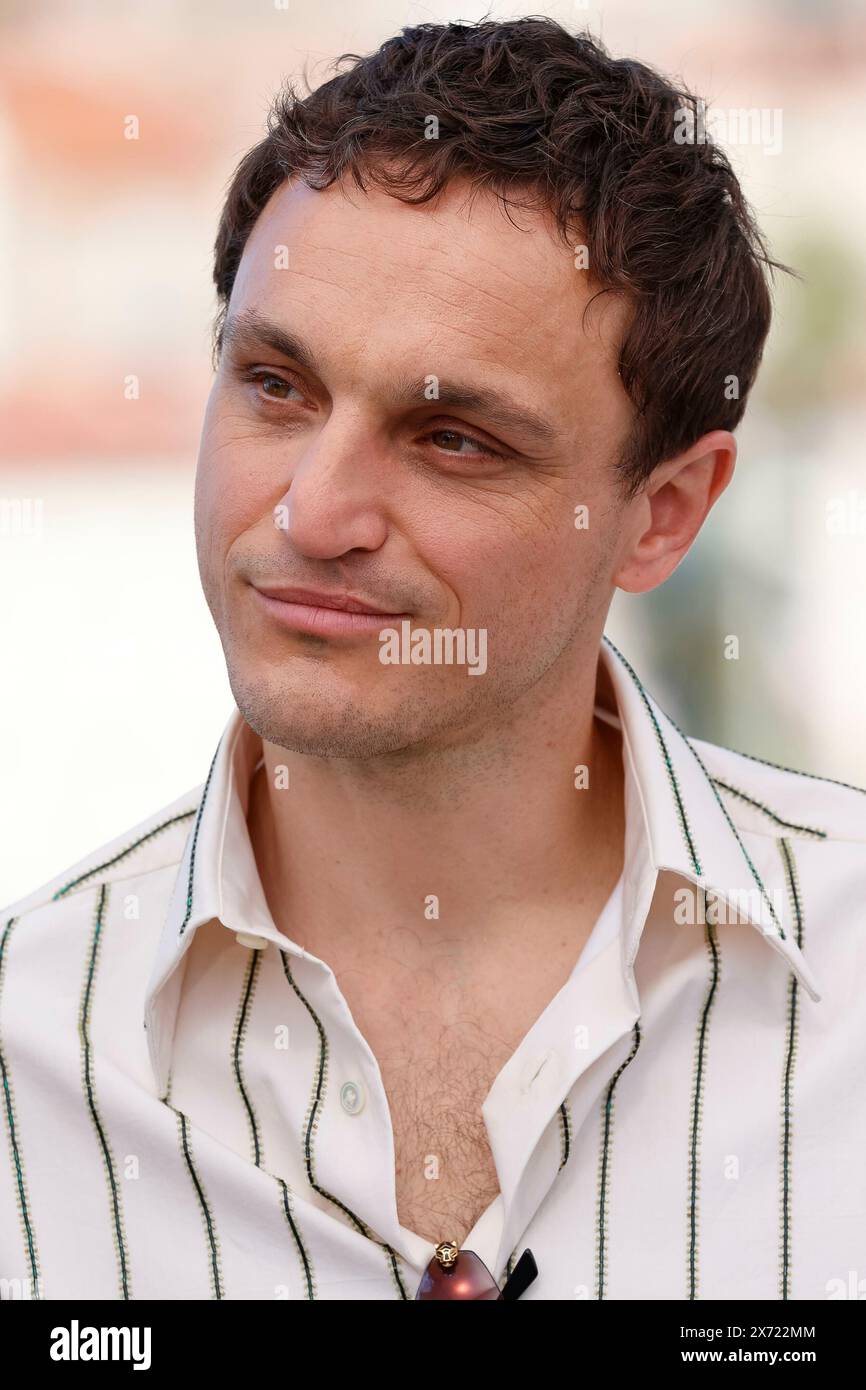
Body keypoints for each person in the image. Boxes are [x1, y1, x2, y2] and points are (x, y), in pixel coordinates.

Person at [2, 17, 863, 1302]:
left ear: (665, 512)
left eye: (452, 436)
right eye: (276, 386)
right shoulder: (25, 1055)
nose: (310, 514)